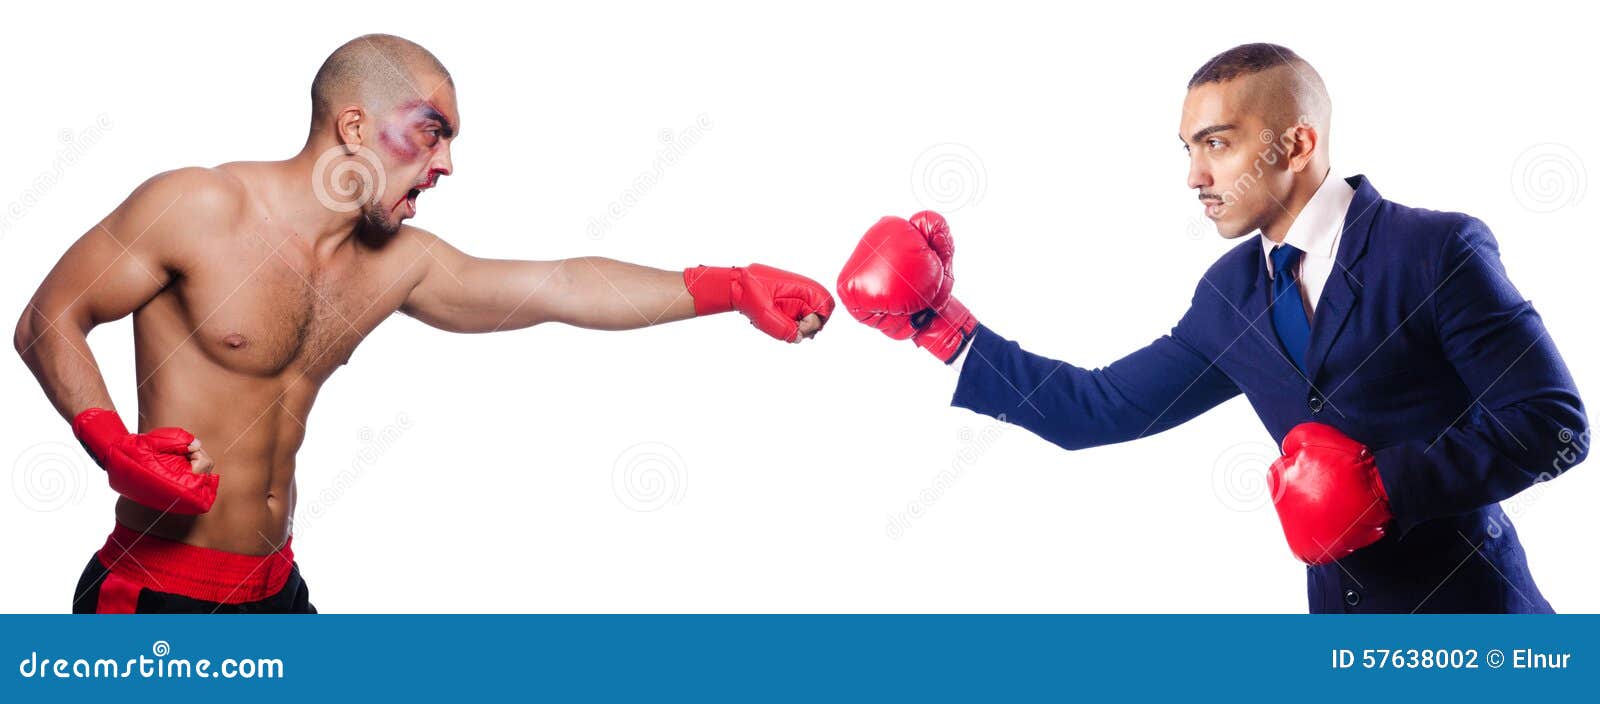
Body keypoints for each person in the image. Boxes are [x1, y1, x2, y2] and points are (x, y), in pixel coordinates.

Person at [14, 34, 833, 614]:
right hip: (157, 598)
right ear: (357, 129)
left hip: (277, 592)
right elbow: (48, 317)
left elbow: (560, 286)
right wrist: (110, 443)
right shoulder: (198, 205)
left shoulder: (397, 262)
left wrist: (727, 285)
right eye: (432, 132)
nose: (445, 164)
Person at [836, 43, 1587, 613]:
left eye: (1217, 144)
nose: (1195, 177)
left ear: (1295, 145)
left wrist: (1386, 487)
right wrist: (941, 324)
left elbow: (1554, 423)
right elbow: (1100, 408)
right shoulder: (1230, 297)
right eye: (1189, 149)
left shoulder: (1433, 251)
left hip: (1482, 627)